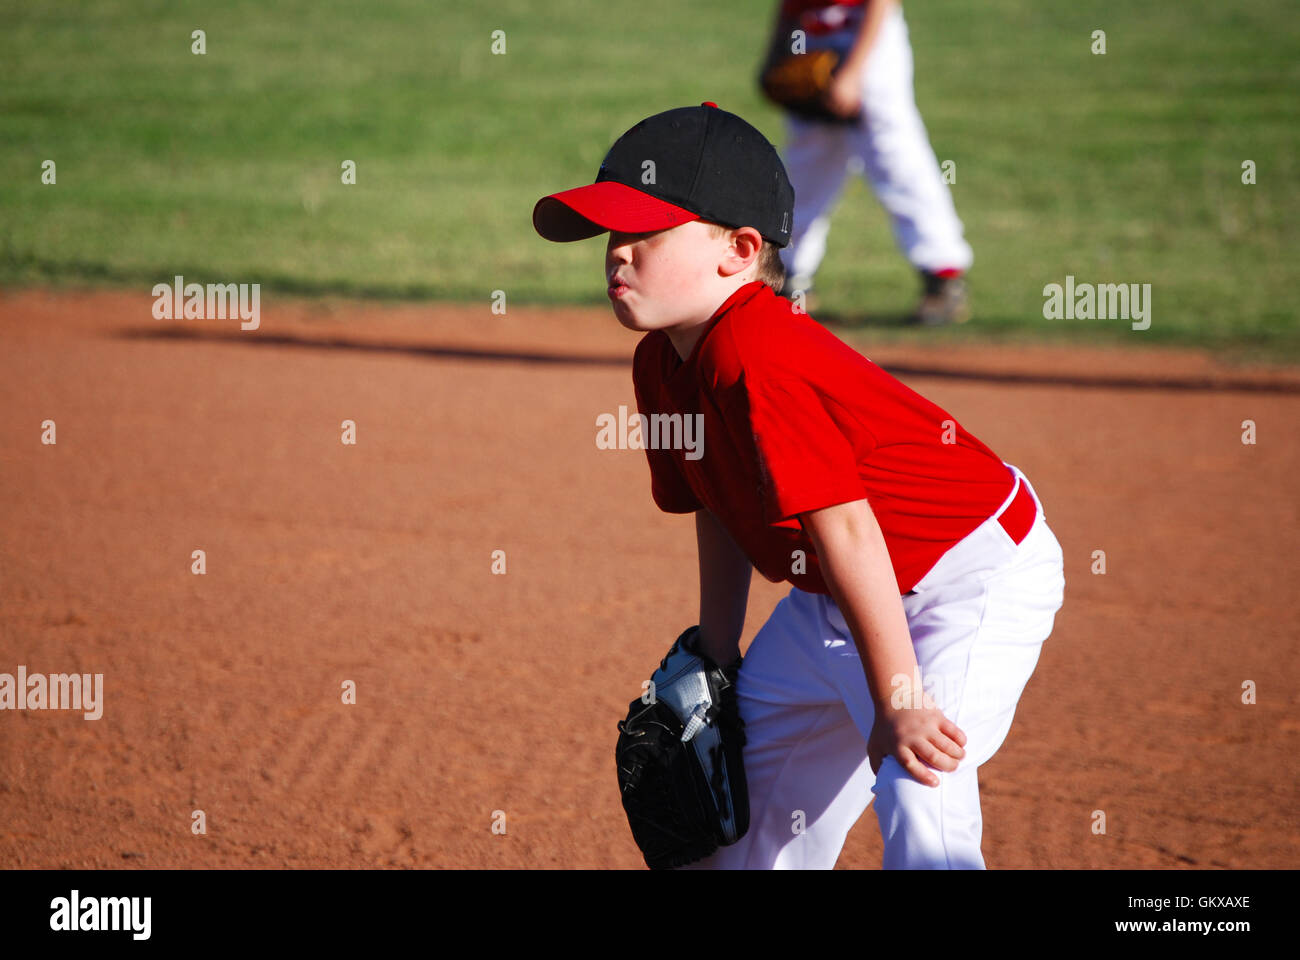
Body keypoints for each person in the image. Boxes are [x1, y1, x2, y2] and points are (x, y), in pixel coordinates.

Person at [532, 103, 1064, 868]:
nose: (618, 255)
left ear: (740, 250)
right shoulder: (661, 359)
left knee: (920, 780)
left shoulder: (759, 350)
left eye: (645, 234)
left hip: (964, 581)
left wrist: (898, 699)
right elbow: (714, 504)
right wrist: (718, 653)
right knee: (743, 830)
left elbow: (847, 525)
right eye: (613, 237)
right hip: (837, 595)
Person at [766, 0, 973, 324]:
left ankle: (944, 276)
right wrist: (777, 50)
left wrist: (854, 72)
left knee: (898, 163)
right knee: (806, 169)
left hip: (866, 37)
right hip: (811, 36)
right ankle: (790, 278)